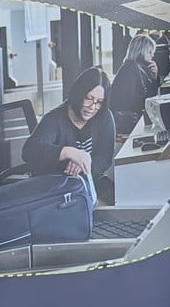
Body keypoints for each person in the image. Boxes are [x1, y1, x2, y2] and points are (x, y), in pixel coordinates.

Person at [22, 66, 116, 204]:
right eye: (88, 98)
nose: (92, 107)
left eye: (99, 102)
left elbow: (105, 156)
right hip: (55, 189)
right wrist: (68, 152)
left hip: (85, 184)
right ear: (78, 94)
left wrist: (84, 167)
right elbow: (29, 150)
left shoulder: (104, 116)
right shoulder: (55, 118)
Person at [109, 33, 161, 137]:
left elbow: (150, 95)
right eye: (149, 52)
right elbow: (128, 101)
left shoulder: (138, 68)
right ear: (140, 51)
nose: (152, 55)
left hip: (133, 119)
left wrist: (154, 77)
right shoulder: (129, 69)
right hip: (127, 124)